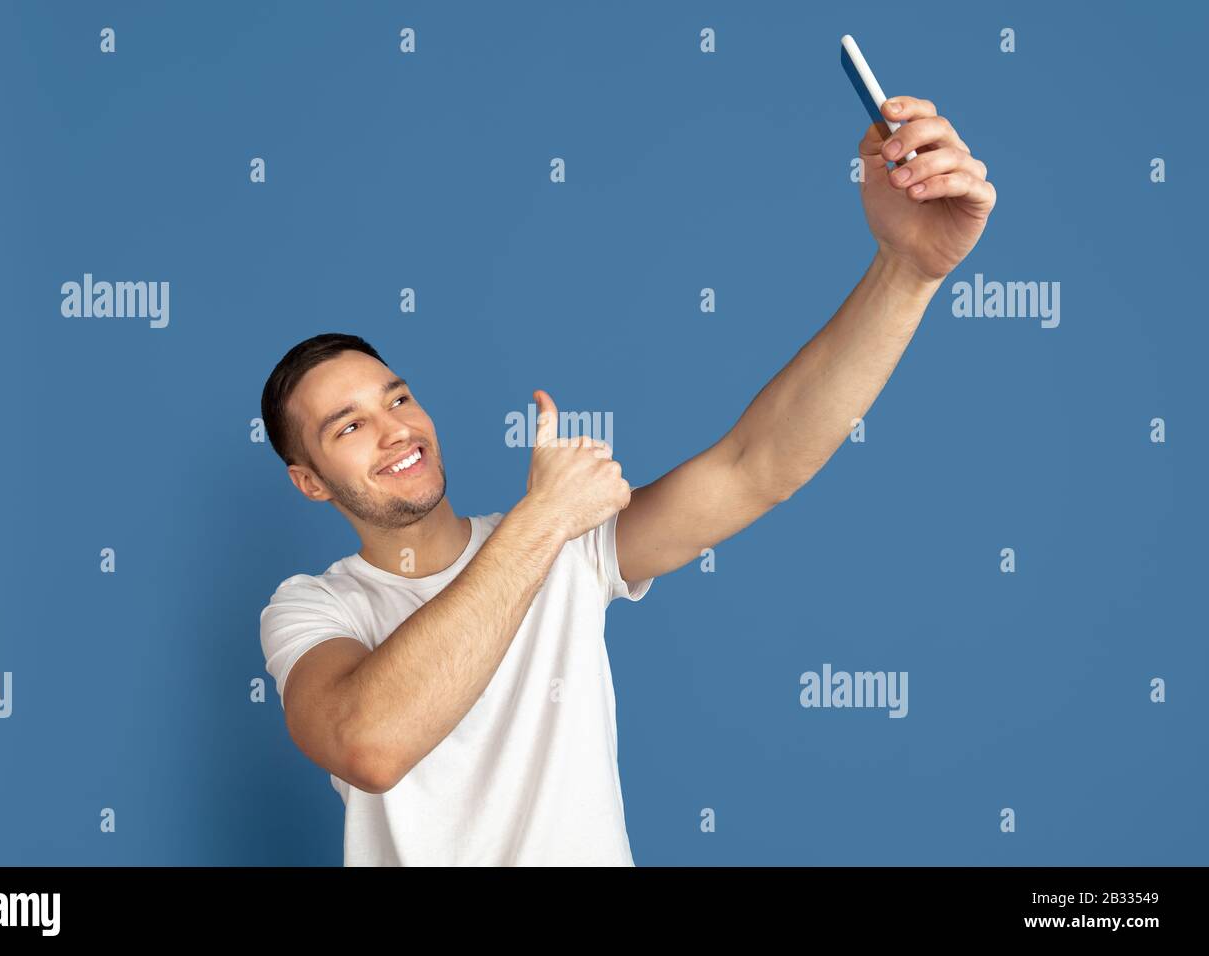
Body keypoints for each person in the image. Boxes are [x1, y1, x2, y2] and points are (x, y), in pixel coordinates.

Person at [258, 95, 996, 865]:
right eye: (348, 427)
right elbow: (369, 744)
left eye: (398, 398)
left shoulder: (571, 546)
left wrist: (907, 272)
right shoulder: (315, 608)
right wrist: (542, 519)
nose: (396, 429)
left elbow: (758, 466)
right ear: (309, 482)